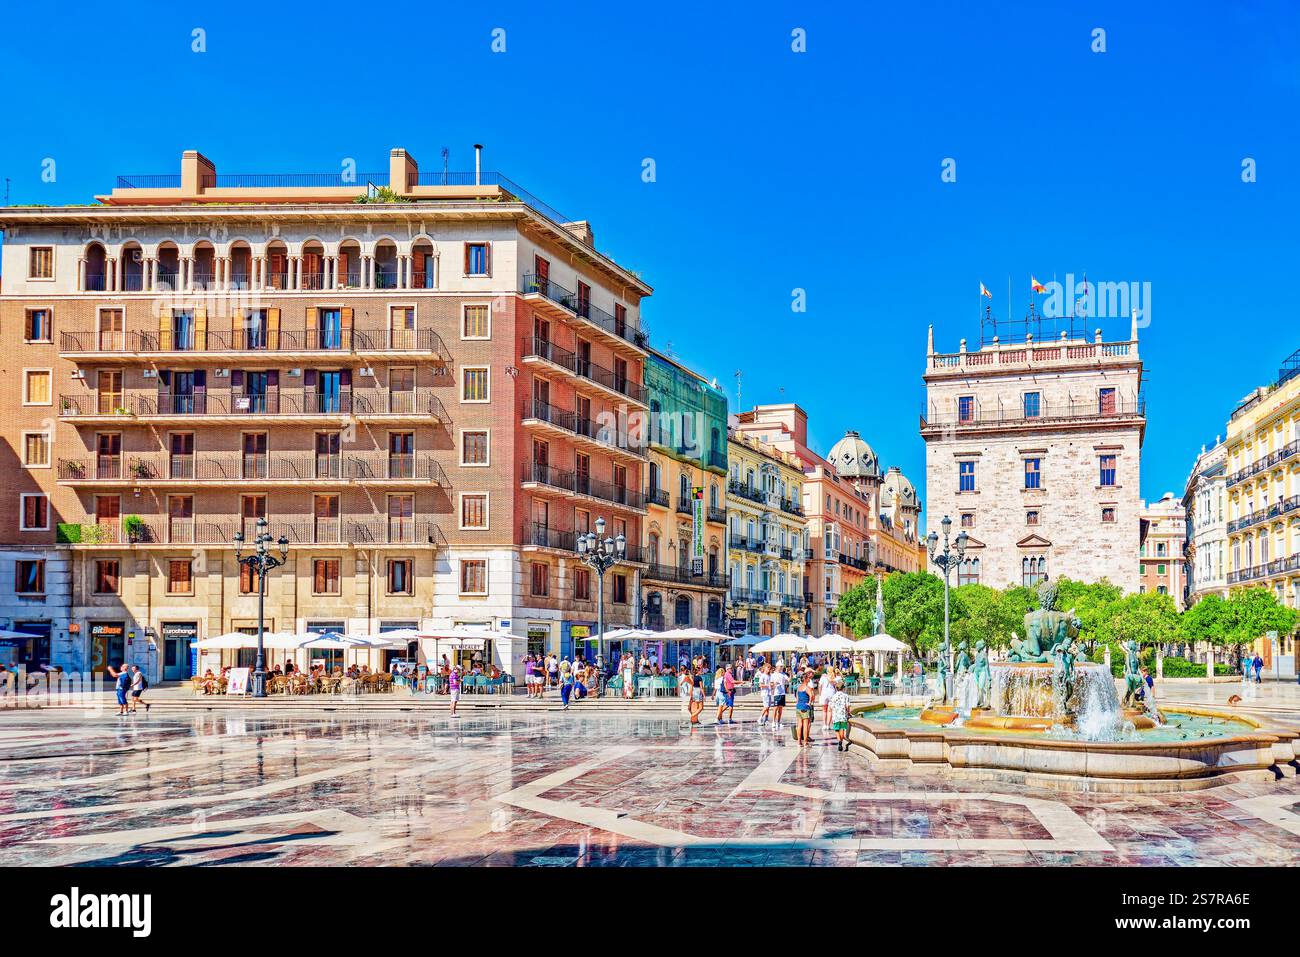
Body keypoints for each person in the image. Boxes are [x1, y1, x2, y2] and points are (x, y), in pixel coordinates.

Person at [830, 678, 851, 752]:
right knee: (842, 729)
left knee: (836, 730)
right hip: (843, 715)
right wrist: (848, 713)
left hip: (835, 715)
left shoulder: (833, 696)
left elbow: (831, 707)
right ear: (843, 688)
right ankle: (841, 741)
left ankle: (839, 741)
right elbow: (847, 706)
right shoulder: (846, 696)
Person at [794, 672, 814, 746]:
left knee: (799, 725)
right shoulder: (807, 687)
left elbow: (797, 698)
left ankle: (799, 742)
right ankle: (805, 742)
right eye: (808, 678)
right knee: (805, 725)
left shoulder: (799, 687)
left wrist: (798, 703)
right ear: (805, 679)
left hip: (799, 706)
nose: (809, 679)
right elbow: (811, 696)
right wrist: (809, 702)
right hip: (805, 707)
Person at [770, 663, 790, 731]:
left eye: (782, 666)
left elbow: (789, 680)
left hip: (782, 693)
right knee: (775, 708)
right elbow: (771, 684)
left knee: (780, 709)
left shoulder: (783, 674)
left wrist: (791, 674)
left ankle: (778, 721)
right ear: (777, 666)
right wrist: (774, 684)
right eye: (780, 666)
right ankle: (773, 721)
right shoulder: (773, 675)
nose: (781, 667)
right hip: (776, 693)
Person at [757, 663, 773, 728]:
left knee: (768, 707)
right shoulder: (763, 676)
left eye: (769, 668)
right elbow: (760, 685)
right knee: (766, 707)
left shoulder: (769, 676)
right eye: (768, 668)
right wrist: (768, 685)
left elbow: (771, 683)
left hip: (769, 693)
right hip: (764, 693)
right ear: (764, 668)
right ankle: (760, 718)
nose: (769, 669)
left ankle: (766, 720)